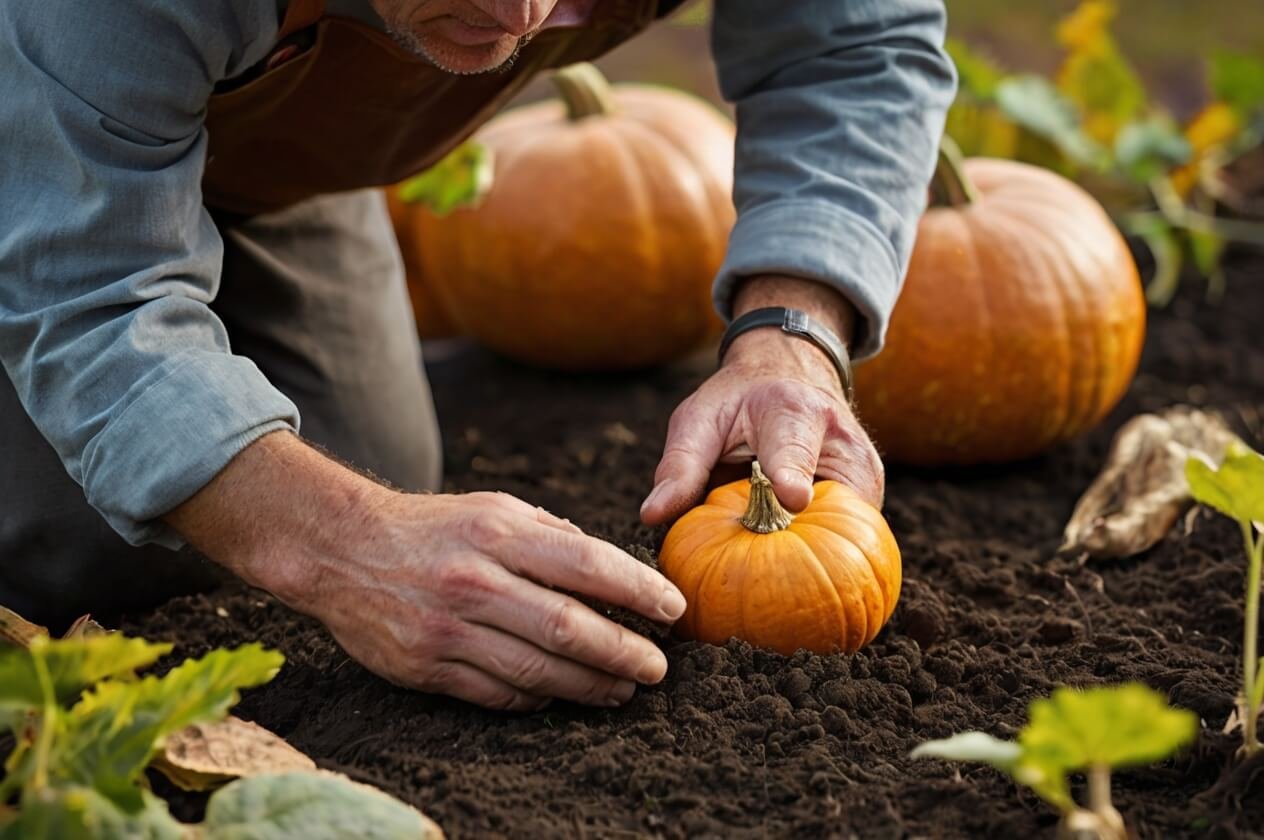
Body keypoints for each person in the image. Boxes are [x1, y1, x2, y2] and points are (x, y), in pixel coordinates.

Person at [0, 0, 955, 710]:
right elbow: (89, 296)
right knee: (92, 548)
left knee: (363, 461)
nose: (520, 14)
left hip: (252, 158)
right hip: (31, 142)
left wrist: (790, 337)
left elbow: (853, 44)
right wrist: (345, 544)